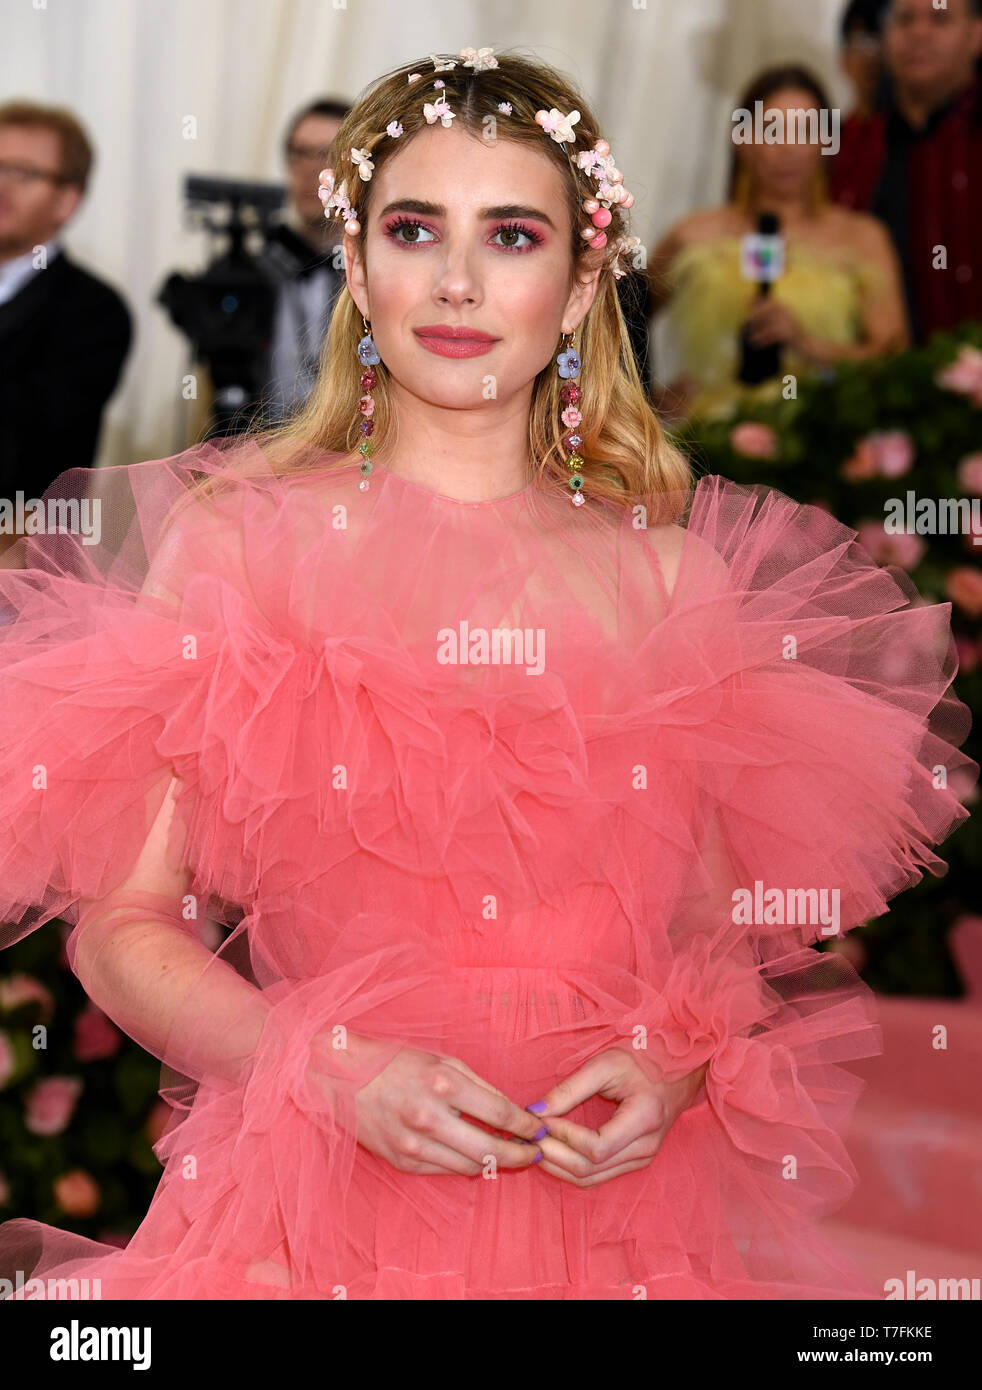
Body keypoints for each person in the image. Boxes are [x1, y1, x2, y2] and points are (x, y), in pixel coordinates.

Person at [0, 46, 974, 1301]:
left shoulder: (673, 580)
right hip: (315, 1208)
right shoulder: (239, 543)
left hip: (617, 1222)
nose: (456, 280)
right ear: (357, 263)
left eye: (512, 236)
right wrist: (321, 1061)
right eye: (415, 229)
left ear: (579, 288)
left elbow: (718, 935)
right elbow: (125, 924)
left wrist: (676, 1055)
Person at [646, 66, 910, 419]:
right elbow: (621, 316)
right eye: (771, 130)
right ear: (741, 139)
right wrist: (645, 400)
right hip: (705, 445)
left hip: (818, 442)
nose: (788, 148)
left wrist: (807, 344)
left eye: (805, 131)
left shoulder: (862, 238)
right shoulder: (695, 234)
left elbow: (894, 354)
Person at [0, 103, 132, 530]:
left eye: (22, 173)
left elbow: (35, 449)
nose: (2, 185)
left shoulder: (93, 310)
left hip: (22, 561)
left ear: (66, 201)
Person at [830, 0, 982, 343]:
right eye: (905, 19)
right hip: (865, 380)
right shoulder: (848, 146)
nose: (919, 33)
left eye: (939, 19)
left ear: (976, 34)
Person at [258, 98, 349, 424]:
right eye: (299, 153)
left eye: (326, 155)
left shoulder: (379, 273)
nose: (312, 169)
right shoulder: (259, 271)